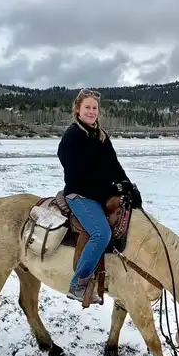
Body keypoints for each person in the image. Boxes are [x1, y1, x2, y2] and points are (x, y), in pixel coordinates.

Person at [57, 88, 142, 302]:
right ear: (77, 109)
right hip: (80, 195)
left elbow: (113, 165)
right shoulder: (72, 138)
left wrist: (126, 184)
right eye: (87, 107)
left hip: (98, 193)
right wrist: (110, 191)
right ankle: (78, 283)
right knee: (101, 233)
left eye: (95, 108)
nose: (91, 111)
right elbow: (79, 176)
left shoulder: (100, 136)